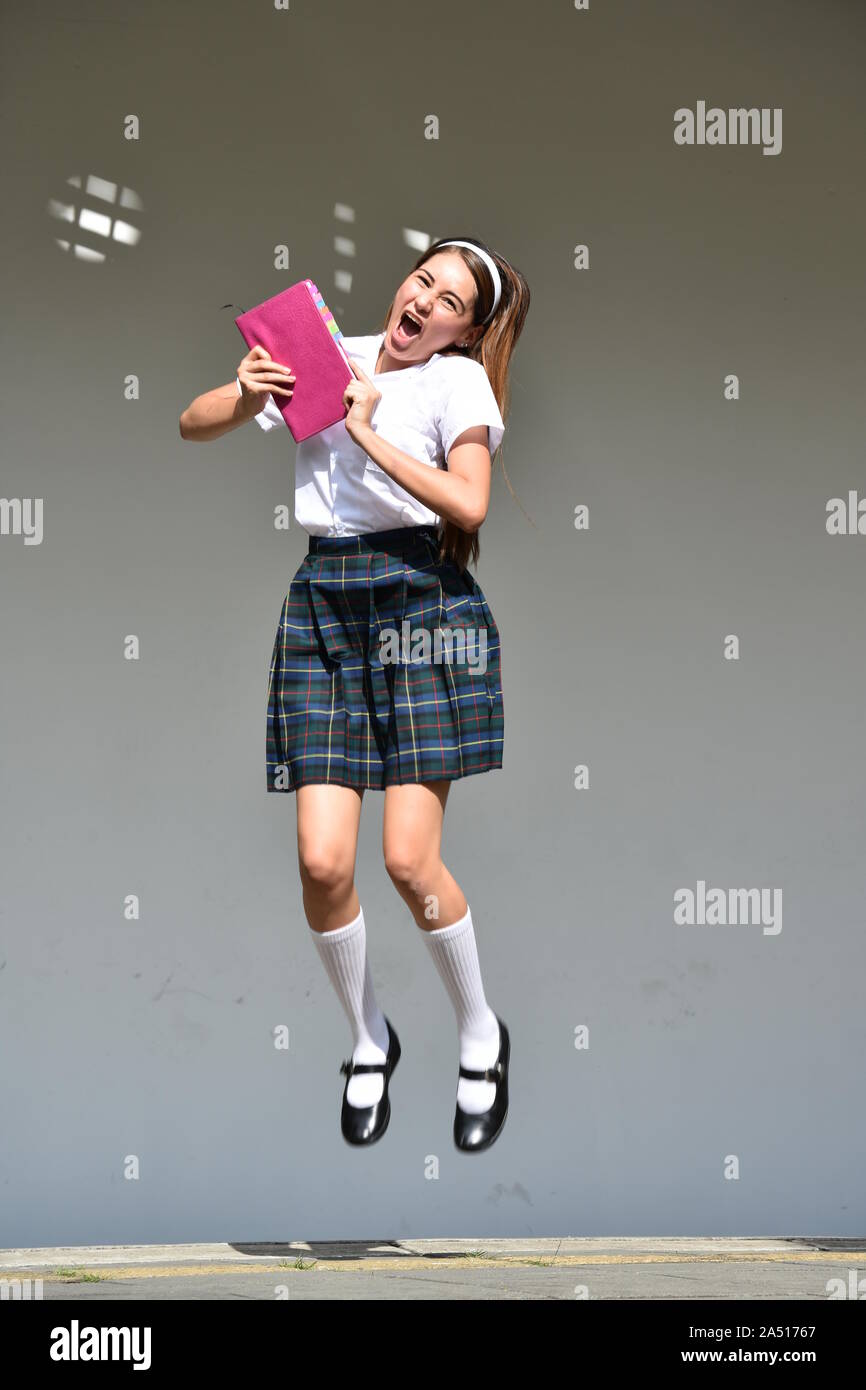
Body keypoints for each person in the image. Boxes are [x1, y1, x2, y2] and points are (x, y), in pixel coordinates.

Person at [180, 236, 530, 1152]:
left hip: (422, 607)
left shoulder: (457, 385)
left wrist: (366, 431)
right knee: (324, 864)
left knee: (410, 862)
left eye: (448, 300)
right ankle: (369, 1038)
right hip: (325, 601)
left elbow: (470, 504)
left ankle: (482, 1033)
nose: (423, 301)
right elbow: (191, 422)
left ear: (467, 326)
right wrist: (250, 390)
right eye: (423, 280)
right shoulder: (328, 354)